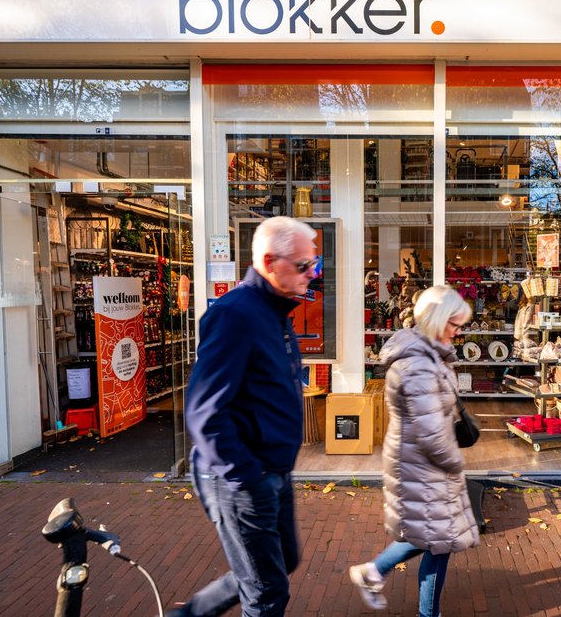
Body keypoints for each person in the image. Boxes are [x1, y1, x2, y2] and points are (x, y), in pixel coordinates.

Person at [171, 216, 320, 617]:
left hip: (271, 472)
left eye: (315, 264)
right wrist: (245, 477)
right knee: (266, 590)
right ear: (271, 262)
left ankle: (187, 615)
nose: (312, 274)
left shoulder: (273, 312)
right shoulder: (237, 314)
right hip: (240, 479)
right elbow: (204, 409)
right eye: (304, 266)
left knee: (280, 563)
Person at [347, 285, 480, 617]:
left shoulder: (425, 354)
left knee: (428, 536)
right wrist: (454, 462)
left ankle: (373, 572)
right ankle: (423, 611)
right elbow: (431, 433)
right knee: (440, 540)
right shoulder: (419, 363)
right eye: (454, 323)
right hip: (424, 466)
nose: (458, 331)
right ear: (436, 320)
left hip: (418, 462)